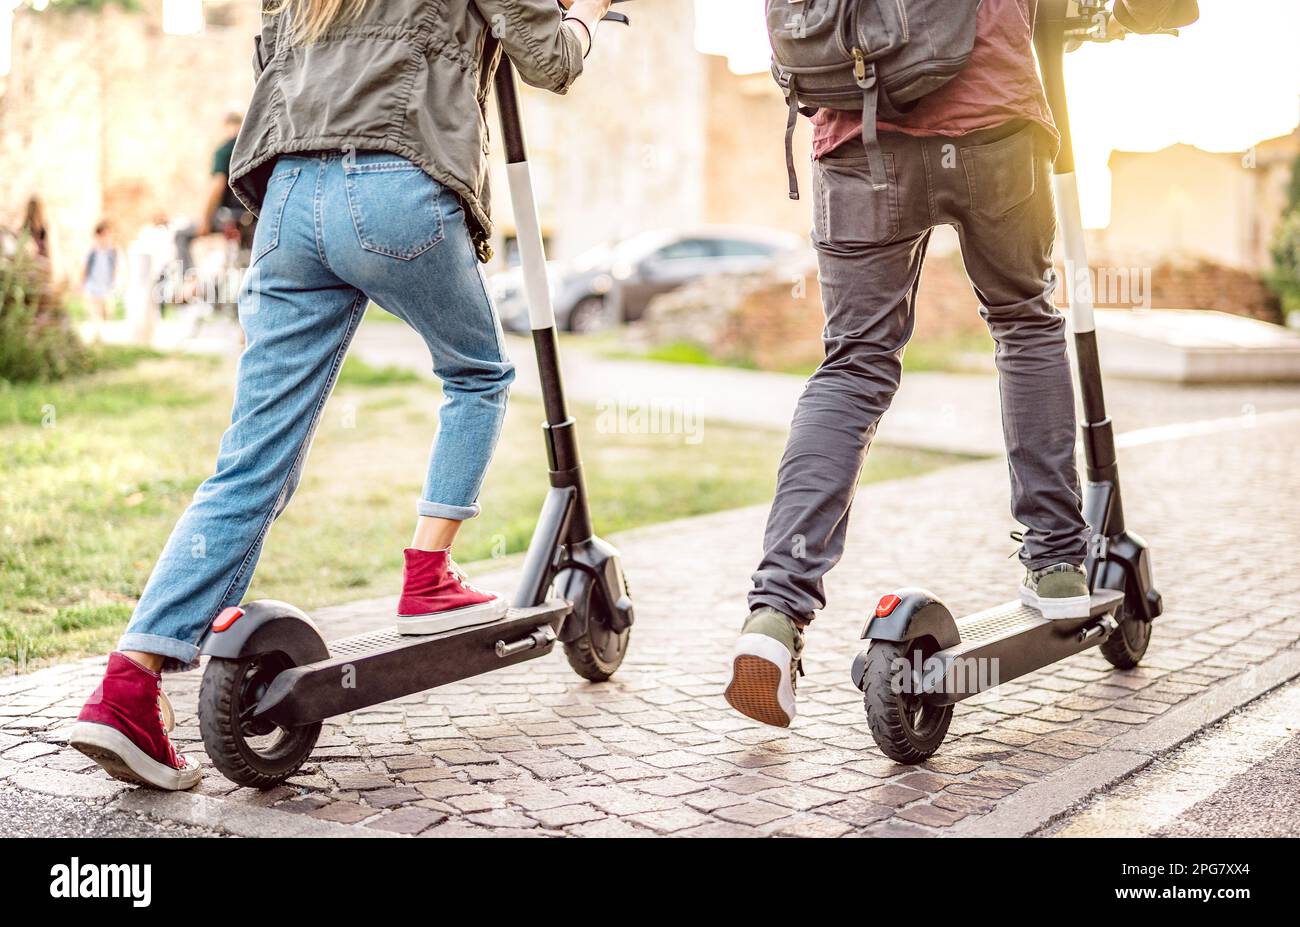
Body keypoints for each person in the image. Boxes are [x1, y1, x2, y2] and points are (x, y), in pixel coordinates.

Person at [69, 0, 612, 791]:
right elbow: (550, 58)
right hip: (396, 185)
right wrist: (589, 15)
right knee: (478, 373)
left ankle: (128, 681)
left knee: (251, 460)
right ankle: (428, 574)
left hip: (288, 198)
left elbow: (270, 65)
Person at [725, 0, 1200, 729]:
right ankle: (1058, 560)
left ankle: (774, 612)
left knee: (853, 366)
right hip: (992, 122)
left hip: (858, 129)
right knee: (1024, 323)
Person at [82, 221, 118, 341]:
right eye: (102, 235)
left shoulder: (113, 252)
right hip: (92, 284)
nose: (105, 238)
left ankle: (101, 331)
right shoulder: (92, 252)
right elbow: (85, 268)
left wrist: (116, 282)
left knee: (107, 310)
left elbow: (116, 268)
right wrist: (81, 283)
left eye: (107, 235)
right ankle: (97, 334)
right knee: (94, 310)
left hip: (106, 285)